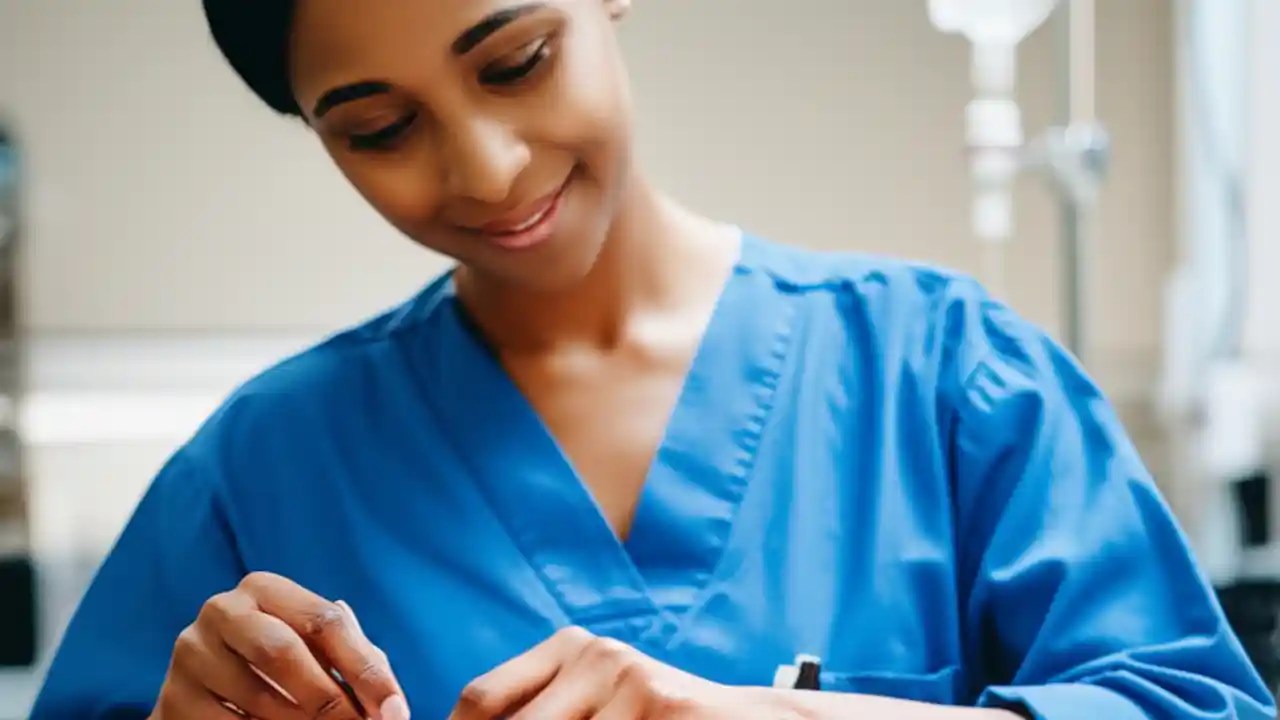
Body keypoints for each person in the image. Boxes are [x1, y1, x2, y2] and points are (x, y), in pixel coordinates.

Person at [29, 1, 1275, 718]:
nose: (487, 170)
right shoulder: (265, 475)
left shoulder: (945, 377)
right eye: (379, 128)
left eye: (514, 61)